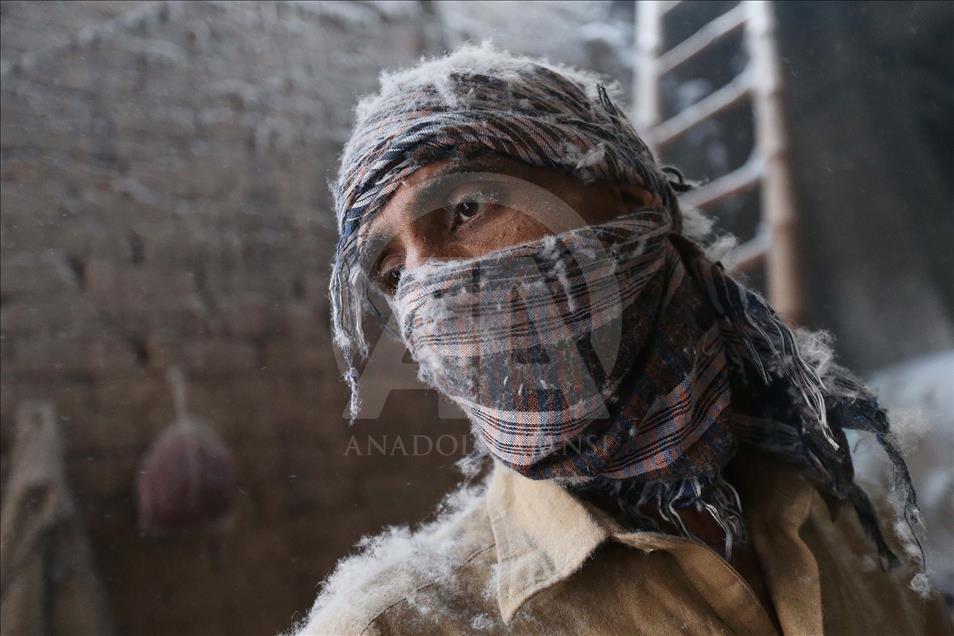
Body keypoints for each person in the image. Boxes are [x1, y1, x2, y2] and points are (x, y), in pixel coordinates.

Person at [290, 44, 952, 635]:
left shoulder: (839, 513)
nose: (429, 296)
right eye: (393, 272)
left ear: (632, 202)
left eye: (467, 210)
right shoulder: (397, 624)